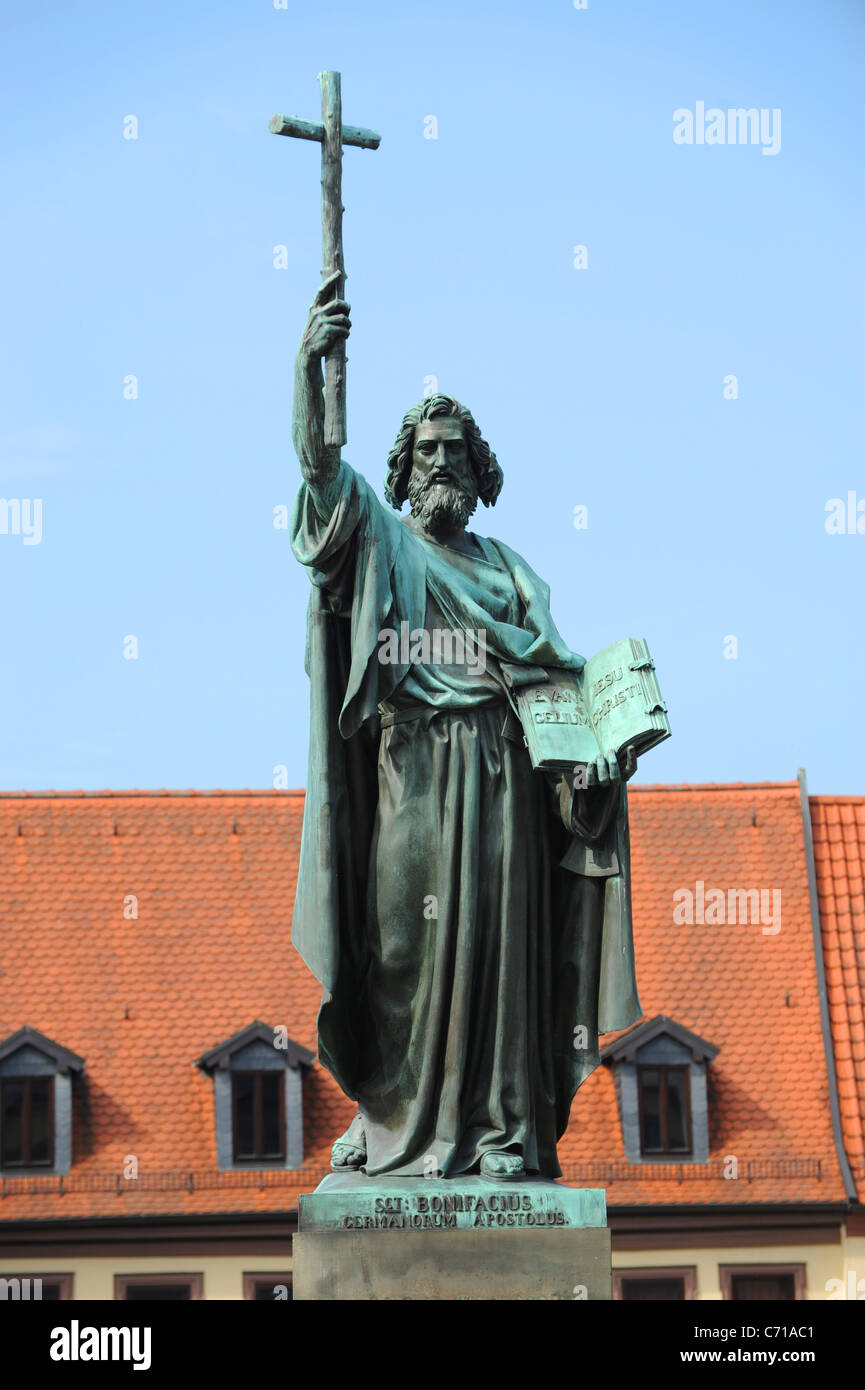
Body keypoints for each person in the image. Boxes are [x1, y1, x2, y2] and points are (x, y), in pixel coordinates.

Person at [290, 274, 641, 1180]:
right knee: (401, 947)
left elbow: (559, 688)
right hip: (414, 769)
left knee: (499, 960)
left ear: (477, 471)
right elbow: (322, 482)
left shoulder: (514, 572)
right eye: (425, 451)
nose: (439, 462)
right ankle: (392, 1122)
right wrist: (314, 371)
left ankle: (499, 1132)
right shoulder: (383, 539)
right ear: (402, 470)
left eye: (454, 450)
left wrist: (599, 758)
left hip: (505, 784)